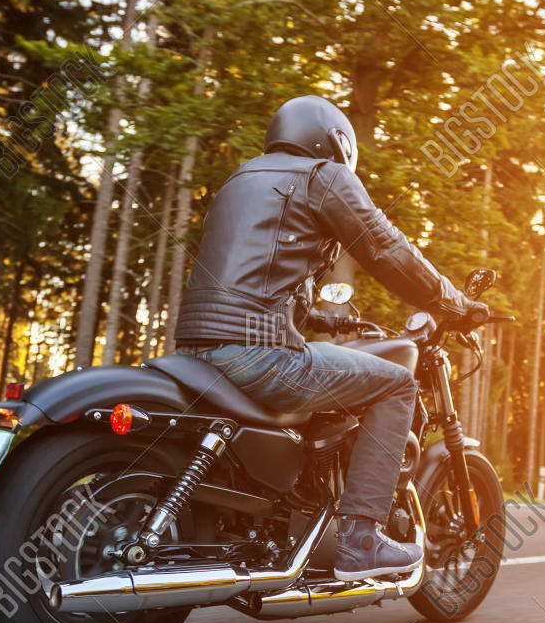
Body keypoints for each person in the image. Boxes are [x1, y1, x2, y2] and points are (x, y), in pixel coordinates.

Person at [174, 95, 487, 581]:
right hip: (260, 354)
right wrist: (453, 303)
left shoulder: (242, 178)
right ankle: (360, 541)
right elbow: (386, 250)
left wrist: (322, 316)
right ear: (336, 143)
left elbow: (256, 275)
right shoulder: (324, 176)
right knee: (396, 385)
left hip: (198, 347)